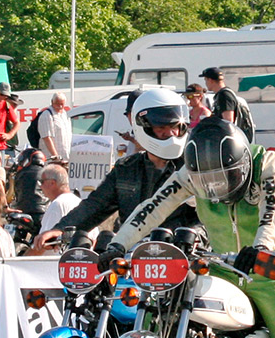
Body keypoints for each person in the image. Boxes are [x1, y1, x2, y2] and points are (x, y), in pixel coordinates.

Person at [114, 116, 275, 333]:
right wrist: (118, 244)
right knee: (161, 315)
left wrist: (261, 248)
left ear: (243, 165)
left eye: (223, 178)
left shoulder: (265, 162)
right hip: (220, 269)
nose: (214, 188)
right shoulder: (191, 173)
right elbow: (154, 207)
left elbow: (274, 209)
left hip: (265, 270)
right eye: (205, 181)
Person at [30, 88, 197, 251]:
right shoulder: (126, 168)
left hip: (183, 254)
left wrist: (195, 236)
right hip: (132, 255)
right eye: (161, 128)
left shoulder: (194, 167)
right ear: (143, 126)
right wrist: (61, 228)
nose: (170, 134)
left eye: (175, 127)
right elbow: (96, 205)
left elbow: (210, 212)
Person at [36, 163, 81, 235]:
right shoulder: (79, 202)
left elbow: (46, 240)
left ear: (52, 183)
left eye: (42, 182)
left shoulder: (57, 205)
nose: (40, 186)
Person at [28, 94, 73, 162]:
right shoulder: (47, 115)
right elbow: (47, 138)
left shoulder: (64, 114)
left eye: (62, 104)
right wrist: (55, 156)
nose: (60, 106)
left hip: (65, 157)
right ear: (52, 102)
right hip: (51, 158)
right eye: (57, 104)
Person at [10, 148, 48, 220]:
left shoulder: (21, 173)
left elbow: (16, 193)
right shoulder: (47, 173)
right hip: (42, 211)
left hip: (23, 211)